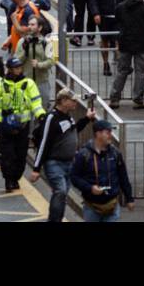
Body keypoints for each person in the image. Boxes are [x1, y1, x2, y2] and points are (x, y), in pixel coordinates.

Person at [31, 90, 94, 222]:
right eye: (73, 100)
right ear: (64, 101)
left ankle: (57, 218)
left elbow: (73, 130)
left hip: (69, 163)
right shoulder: (51, 118)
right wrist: (36, 168)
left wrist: (86, 119)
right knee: (60, 191)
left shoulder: (68, 116)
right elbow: (44, 143)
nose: (75, 103)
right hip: (54, 163)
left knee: (63, 194)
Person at [0, 55, 45, 192]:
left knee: (21, 155)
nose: (19, 70)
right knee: (7, 155)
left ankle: (16, 177)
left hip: (23, 127)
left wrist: (41, 115)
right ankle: (8, 180)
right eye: (15, 68)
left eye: (20, 67)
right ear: (9, 69)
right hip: (5, 126)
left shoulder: (29, 84)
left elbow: (36, 102)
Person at [71, 120, 134, 222]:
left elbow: (123, 177)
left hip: (112, 205)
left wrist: (129, 198)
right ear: (98, 133)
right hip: (92, 207)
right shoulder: (84, 154)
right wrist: (90, 188)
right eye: (107, 132)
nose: (110, 135)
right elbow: (74, 177)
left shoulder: (115, 153)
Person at [110, 0, 144, 110]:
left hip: (125, 42)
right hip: (142, 43)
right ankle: (138, 99)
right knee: (140, 72)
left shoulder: (120, 7)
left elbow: (117, 20)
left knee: (121, 71)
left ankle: (114, 98)